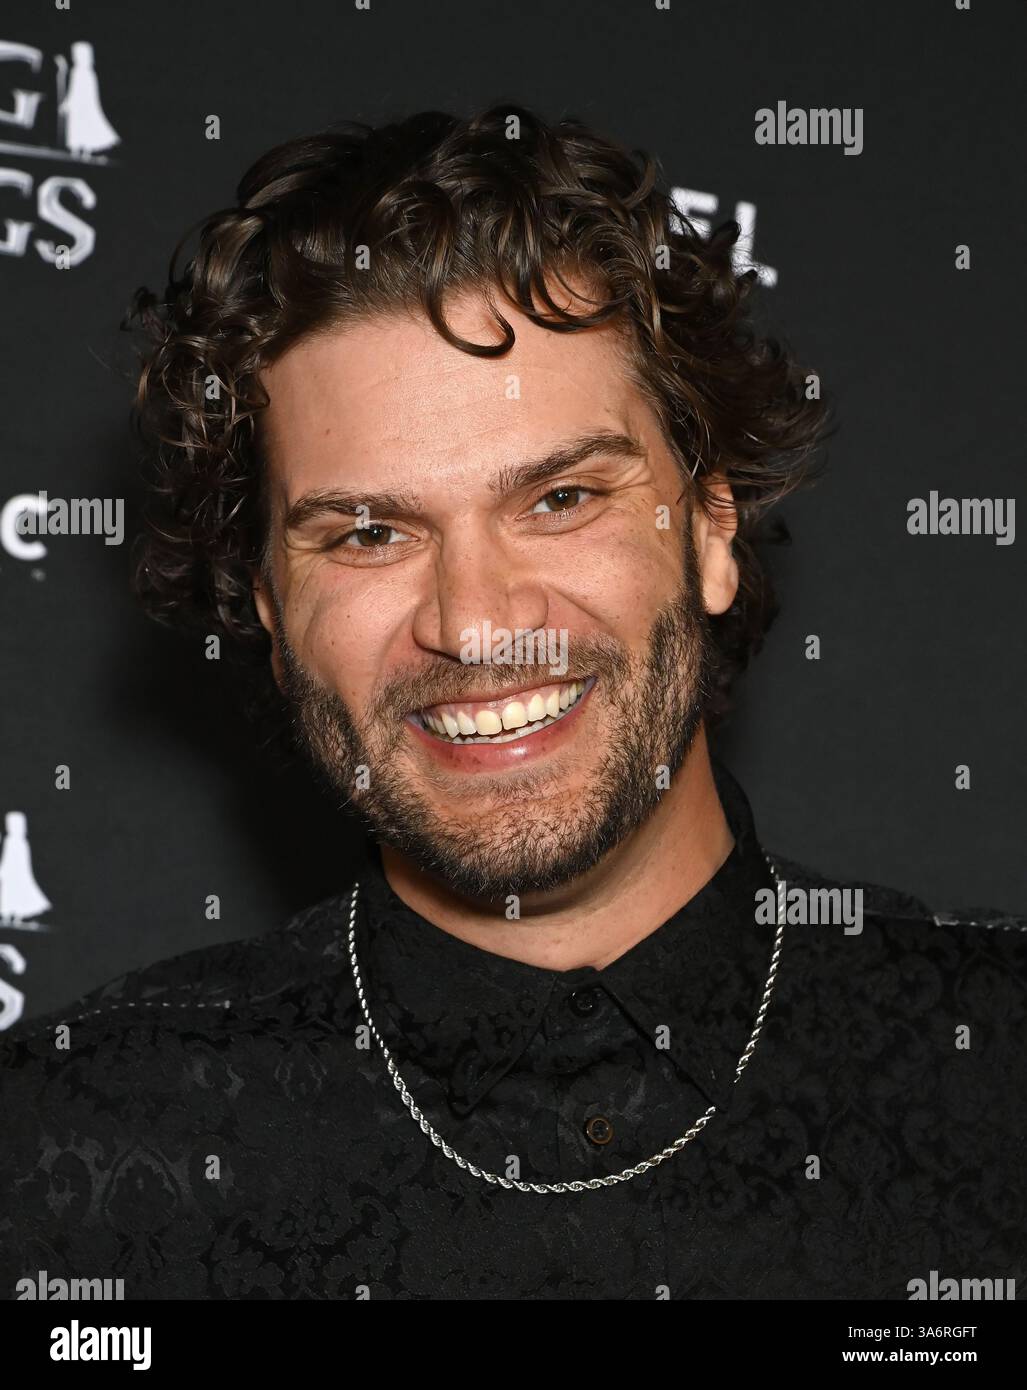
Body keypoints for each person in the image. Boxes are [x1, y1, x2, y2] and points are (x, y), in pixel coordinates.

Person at [2, 106, 1023, 1301]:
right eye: (371, 532)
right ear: (271, 613)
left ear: (708, 527)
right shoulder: (59, 1159)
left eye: (560, 499)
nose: (477, 621)